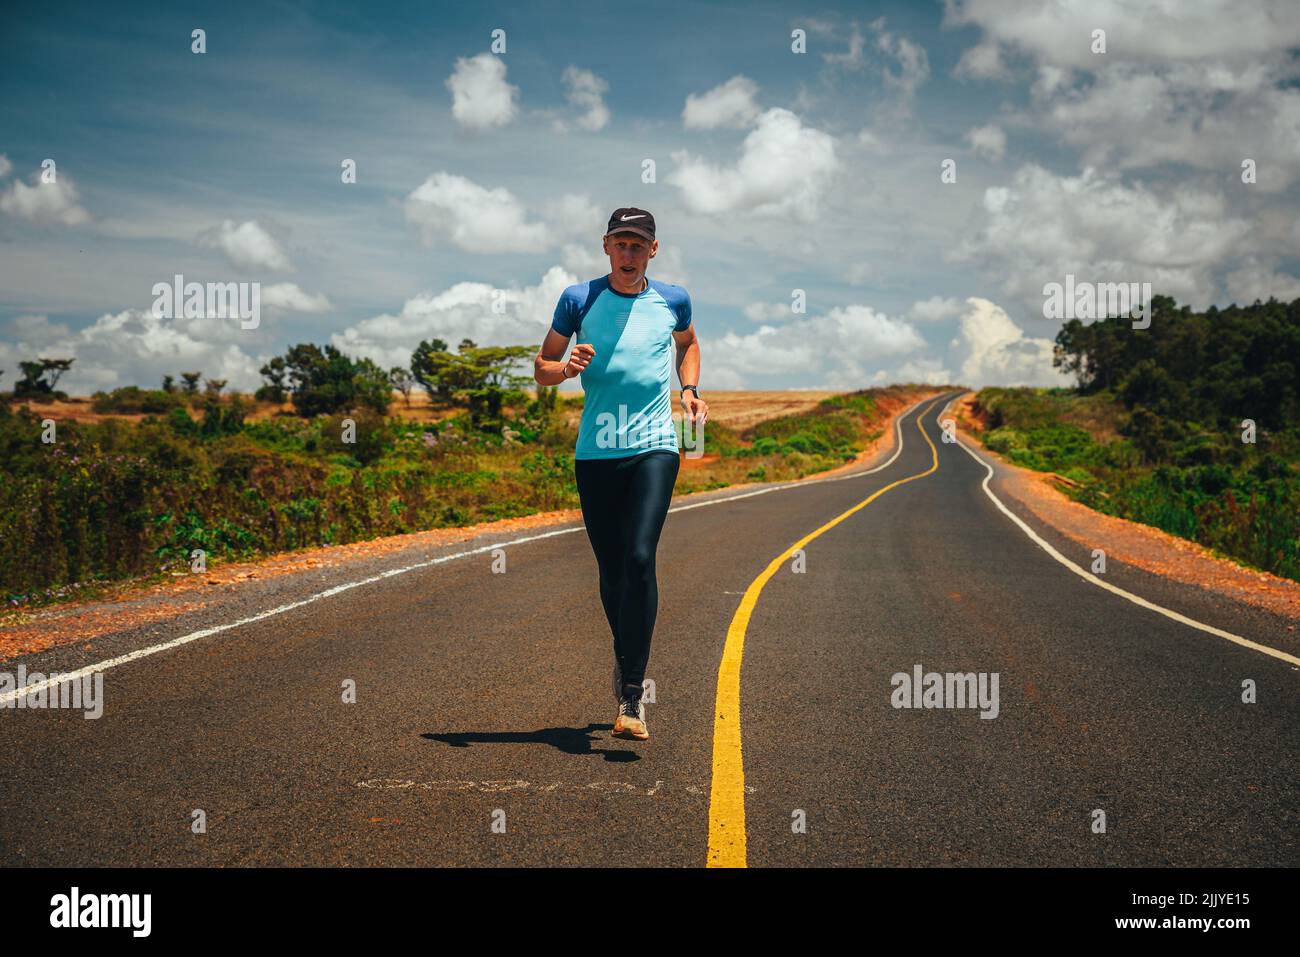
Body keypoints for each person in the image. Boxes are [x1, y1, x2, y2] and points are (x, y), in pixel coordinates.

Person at [534, 207, 708, 741]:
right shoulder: (578, 299)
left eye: (638, 245)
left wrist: (690, 391)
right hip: (596, 452)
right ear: (606, 248)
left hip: (655, 446)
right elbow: (542, 370)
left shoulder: (672, 300)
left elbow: (689, 344)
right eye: (620, 244)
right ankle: (626, 651)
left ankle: (632, 696)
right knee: (611, 573)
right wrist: (566, 369)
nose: (628, 254)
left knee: (639, 557)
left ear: (652, 251)